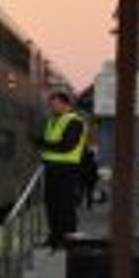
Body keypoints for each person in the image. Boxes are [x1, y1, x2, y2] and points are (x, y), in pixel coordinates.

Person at [35, 88, 90, 246]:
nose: (52, 107)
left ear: (65, 104)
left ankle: (68, 239)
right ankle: (54, 237)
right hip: (51, 168)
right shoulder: (53, 121)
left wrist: (42, 143)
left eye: (54, 104)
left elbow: (67, 145)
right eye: (51, 104)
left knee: (66, 205)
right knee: (52, 204)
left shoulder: (75, 121)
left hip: (67, 169)